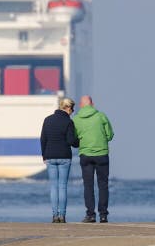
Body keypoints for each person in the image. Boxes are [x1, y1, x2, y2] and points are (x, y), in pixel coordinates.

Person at [73, 95, 114, 223]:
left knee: (88, 185)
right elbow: (110, 135)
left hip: (85, 155)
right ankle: (103, 215)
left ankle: (90, 214)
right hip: (101, 154)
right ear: (93, 104)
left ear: (80, 105)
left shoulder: (76, 119)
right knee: (103, 185)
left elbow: (74, 137)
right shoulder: (101, 116)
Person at [40, 97, 79, 223]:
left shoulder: (47, 120)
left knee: (53, 187)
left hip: (50, 156)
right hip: (64, 157)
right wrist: (79, 142)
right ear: (67, 108)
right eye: (72, 109)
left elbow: (43, 139)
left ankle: (54, 215)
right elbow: (71, 141)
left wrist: (44, 156)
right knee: (62, 187)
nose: (72, 111)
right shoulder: (68, 122)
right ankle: (62, 216)